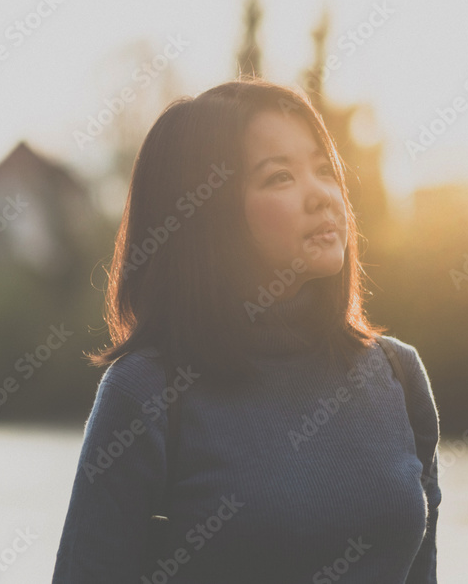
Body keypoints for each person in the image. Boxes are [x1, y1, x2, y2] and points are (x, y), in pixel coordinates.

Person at [51, 78, 441, 582]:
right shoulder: (147, 392)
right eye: (280, 177)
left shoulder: (398, 375)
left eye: (324, 169)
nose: (323, 195)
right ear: (208, 213)